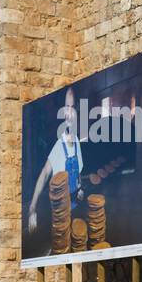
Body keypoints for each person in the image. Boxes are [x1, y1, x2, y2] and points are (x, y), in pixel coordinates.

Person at [27, 87, 86, 233]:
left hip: (76, 212)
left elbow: (78, 173)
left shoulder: (77, 141)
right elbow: (44, 175)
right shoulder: (60, 145)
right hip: (60, 217)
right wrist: (32, 209)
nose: (69, 113)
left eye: (72, 108)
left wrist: (80, 189)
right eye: (67, 107)